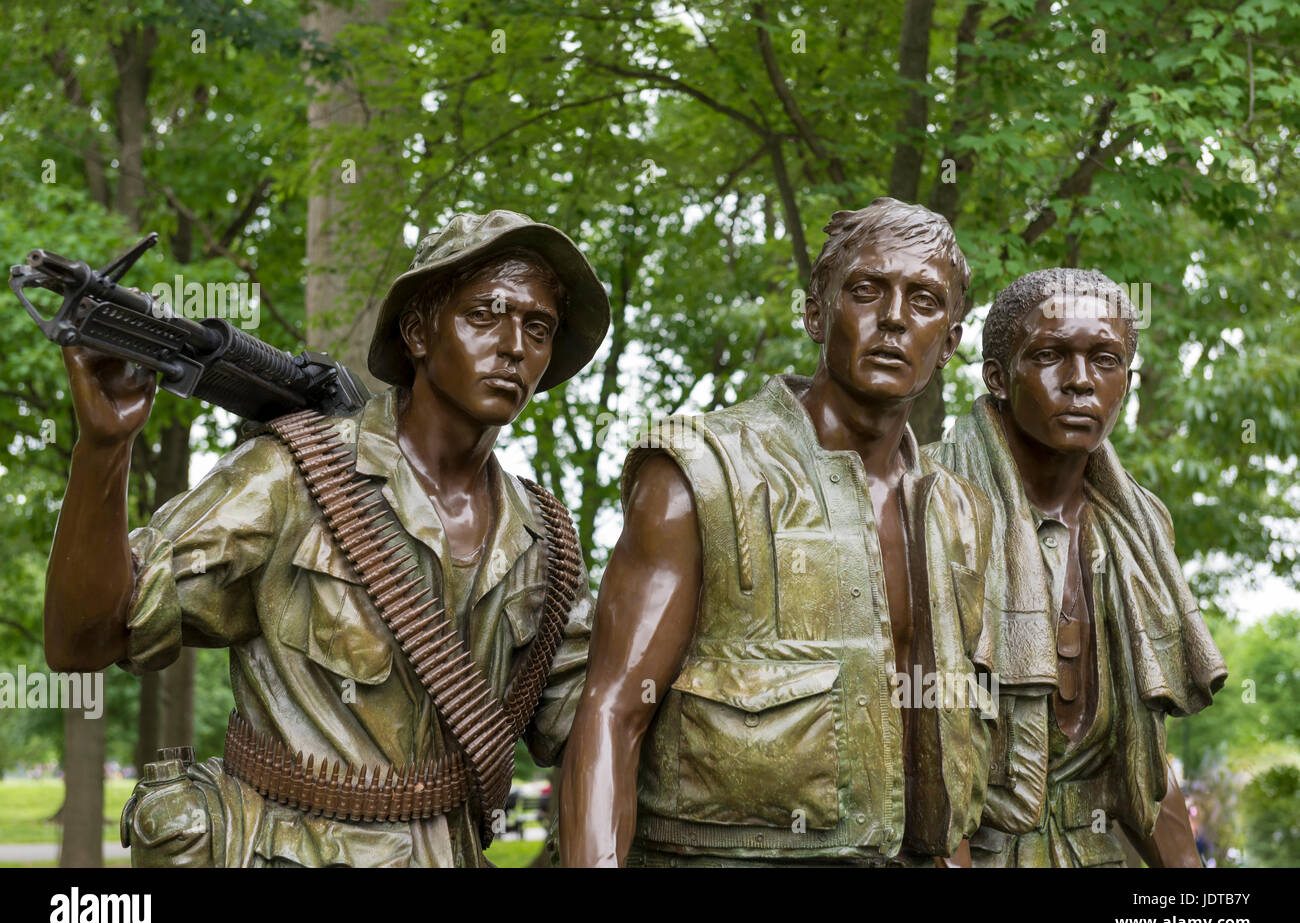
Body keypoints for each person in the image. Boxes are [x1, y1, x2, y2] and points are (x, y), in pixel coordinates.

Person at [44, 209, 610, 867]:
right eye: (485, 314)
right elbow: (82, 639)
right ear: (419, 332)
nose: (514, 344)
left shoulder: (547, 542)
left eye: (537, 327)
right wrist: (103, 450)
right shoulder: (290, 474)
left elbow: (598, 731)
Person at [560, 198, 996, 867]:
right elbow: (613, 711)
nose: (895, 319)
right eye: (867, 290)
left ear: (952, 342)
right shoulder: (699, 473)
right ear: (815, 313)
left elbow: (949, 749)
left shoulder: (962, 516)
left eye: (926, 300)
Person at [925, 267, 1226, 867]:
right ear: (998, 379)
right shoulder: (924, 499)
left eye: (1106, 360)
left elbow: (1139, 753)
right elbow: (910, 741)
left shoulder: (1140, 529)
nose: (1081, 382)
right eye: (1050, 356)